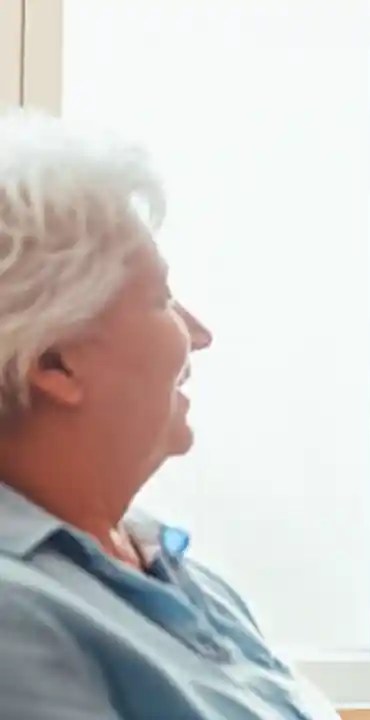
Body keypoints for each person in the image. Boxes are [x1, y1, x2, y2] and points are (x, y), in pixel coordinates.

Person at [0, 111, 340, 718]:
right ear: (55, 363)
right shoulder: (15, 618)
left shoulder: (178, 573)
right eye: (161, 300)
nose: (200, 335)